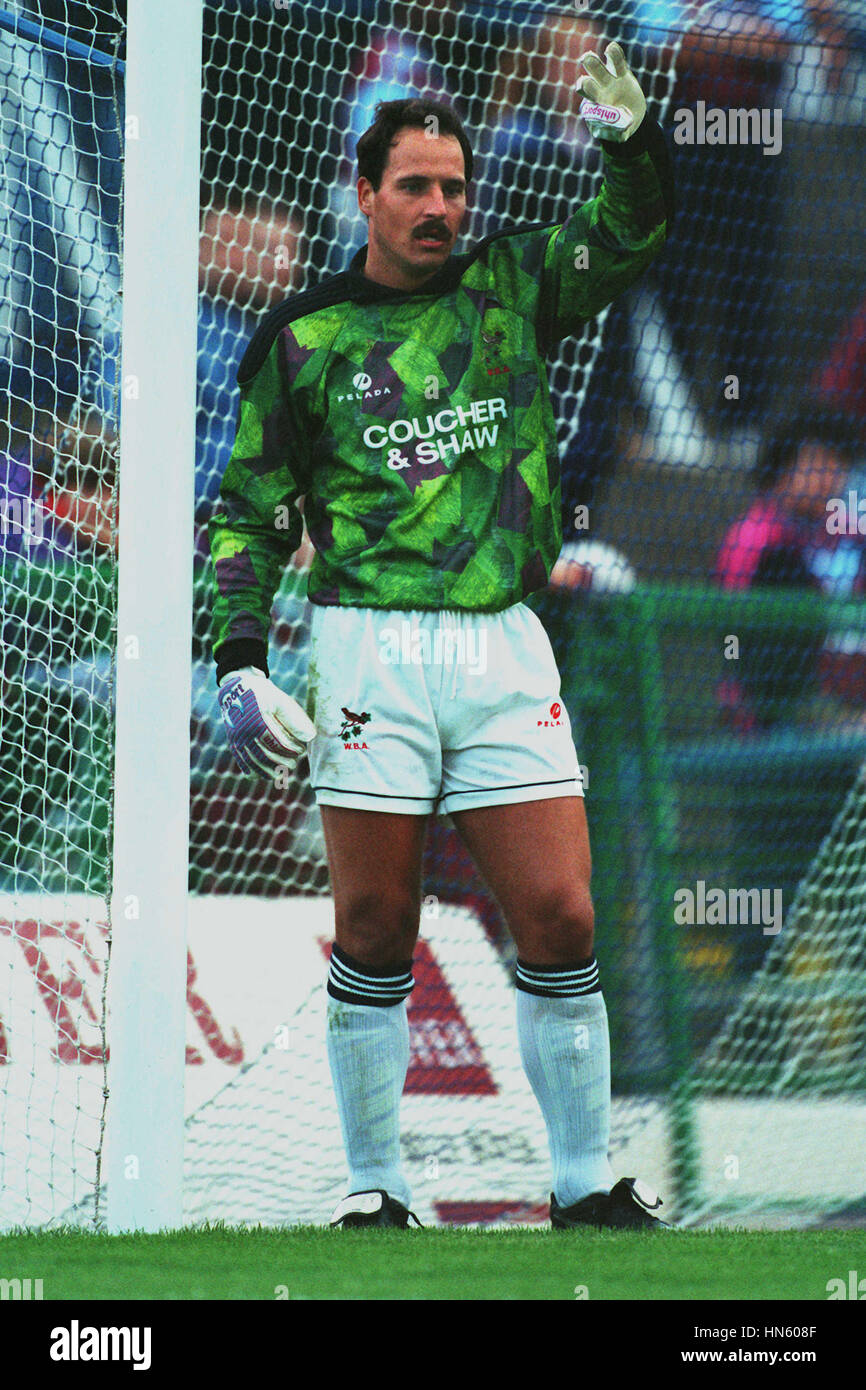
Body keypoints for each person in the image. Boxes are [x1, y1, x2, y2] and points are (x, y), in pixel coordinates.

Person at [209, 47, 674, 1231]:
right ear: (363, 194)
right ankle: (376, 1187)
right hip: (366, 650)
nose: (437, 207)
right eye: (413, 185)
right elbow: (246, 514)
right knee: (374, 927)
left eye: (454, 187)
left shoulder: (514, 287)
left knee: (563, 915)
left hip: (504, 647)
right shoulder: (302, 339)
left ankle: (580, 1185)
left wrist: (632, 138)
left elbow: (629, 232)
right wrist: (240, 657)